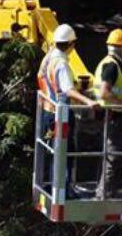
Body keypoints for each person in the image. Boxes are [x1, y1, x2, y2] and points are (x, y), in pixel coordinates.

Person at [37, 23, 99, 190]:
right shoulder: (62, 64)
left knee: (54, 152)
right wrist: (88, 102)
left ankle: (53, 186)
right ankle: (64, 190)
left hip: (48, 111)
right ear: (71, 44)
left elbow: (41, 76)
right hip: (61, 114)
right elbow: (68, 90)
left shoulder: (48, 57)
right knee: (65, 153)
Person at [93, 28, 122, 198]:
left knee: (111, 155)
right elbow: (104, 93)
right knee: (114, 157)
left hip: (108, 117)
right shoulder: (111, 66)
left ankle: (104, 191)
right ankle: (103, 195)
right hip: (114, 117)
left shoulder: (106, 63)